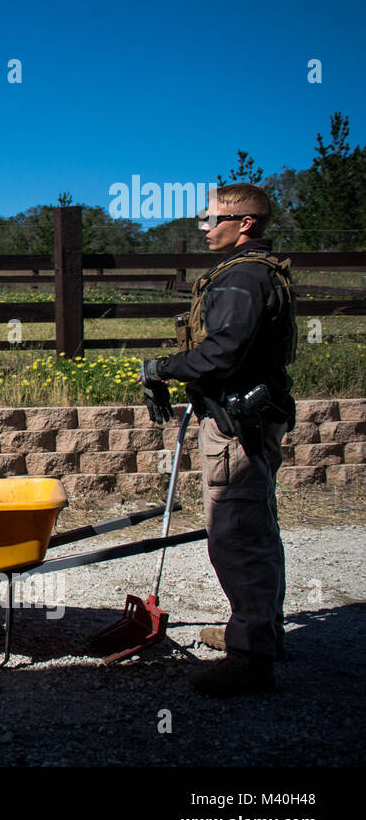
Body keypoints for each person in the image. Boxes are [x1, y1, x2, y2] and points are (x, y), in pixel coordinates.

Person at [139, 183, 296, 697]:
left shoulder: (242, 278)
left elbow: (223, 352)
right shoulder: (256, 272)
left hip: (235, 424)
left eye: (213, 220)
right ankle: (257, 632)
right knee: (255, 524)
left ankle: (250, 658)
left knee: (235, 532)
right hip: (248, 412)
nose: (205, 228)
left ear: (245, 223)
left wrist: (163, 368)